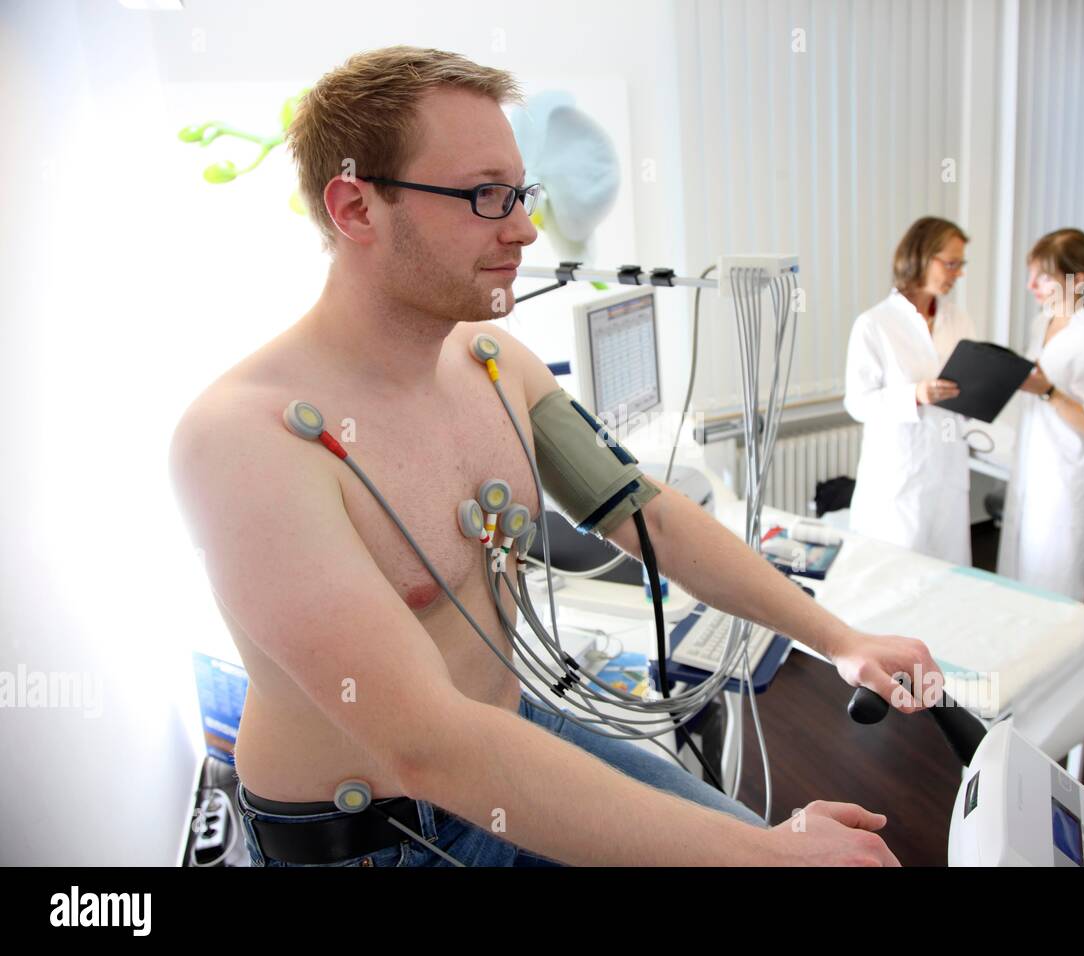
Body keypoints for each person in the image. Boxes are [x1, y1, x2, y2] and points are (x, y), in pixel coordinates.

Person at [169, 46, 942, 867]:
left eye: (521, 192)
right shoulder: (244, 442)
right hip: (383, 833)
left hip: (513, 730)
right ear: (357, 208)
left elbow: (647, 516)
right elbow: (426, 746)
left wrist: (838, 637)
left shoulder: (495, 363)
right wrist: (768, 854)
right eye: (484, 196)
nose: (526, 228)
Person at [996, 228, 1084, 603]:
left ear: (1078, 279)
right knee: (1017, 580)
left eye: (1043, 276)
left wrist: (1049, 391)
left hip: (1064, 480)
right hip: (1030, 468)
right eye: (1030, 274)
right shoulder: (1044, 321)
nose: (1030, 285)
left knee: (1053, 588)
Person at [843, 217, 977, 565]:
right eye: (951, 263)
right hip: (898, 476)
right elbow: (858, 403)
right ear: (920, 257)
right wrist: (914, 395)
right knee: (895, 576)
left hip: (947, 468)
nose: (958, 272)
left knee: (948, 576)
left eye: (961, 264)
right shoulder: (875, 324)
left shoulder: (958, 320)